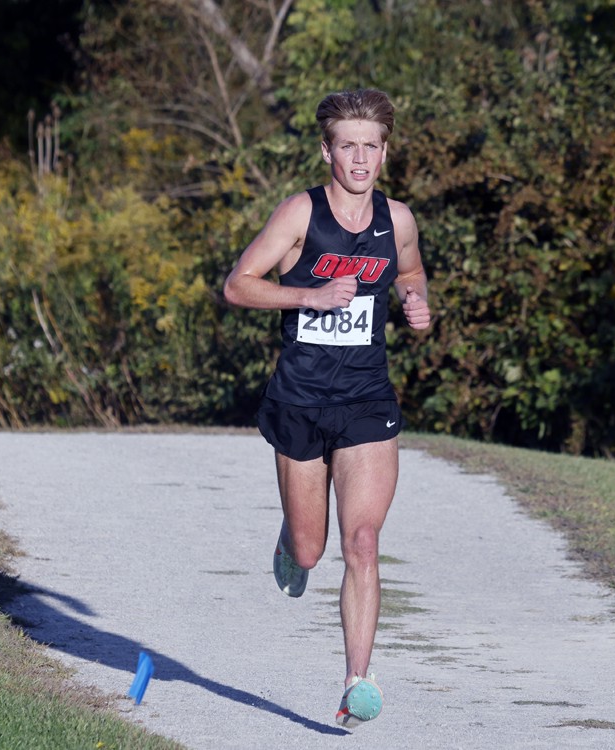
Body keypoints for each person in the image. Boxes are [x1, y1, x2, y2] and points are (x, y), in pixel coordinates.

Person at [223, 88, 431, 727]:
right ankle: (291, 543)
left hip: (367, 398)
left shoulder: (397, 220)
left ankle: (357, 681)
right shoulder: (299, 214)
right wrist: (307, 297)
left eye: (371, 146)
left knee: (362, 541)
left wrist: (417, 304)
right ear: (328, 151)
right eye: (349, 146)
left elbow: (410, 272)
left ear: (385, 153)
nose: (360, 159)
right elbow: (238, 285)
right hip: (302, 399)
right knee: (312, 552)